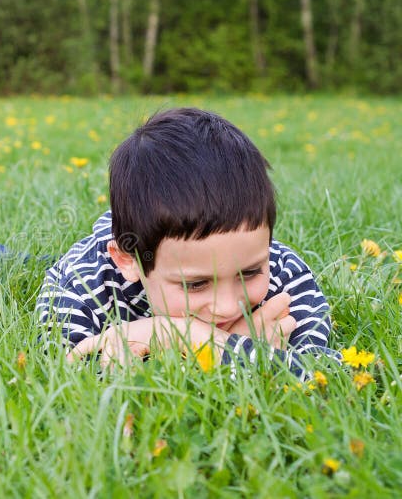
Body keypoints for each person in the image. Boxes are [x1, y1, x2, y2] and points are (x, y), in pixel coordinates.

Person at [36, 108, 339, 377]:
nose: (227, 306)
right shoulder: (81, 283)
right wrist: (202, 342)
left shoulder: (282, 270)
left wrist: (207, 342)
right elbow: (68, 378)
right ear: (129, 260)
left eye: (248, 274)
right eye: (195, 284)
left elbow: (327, 379)